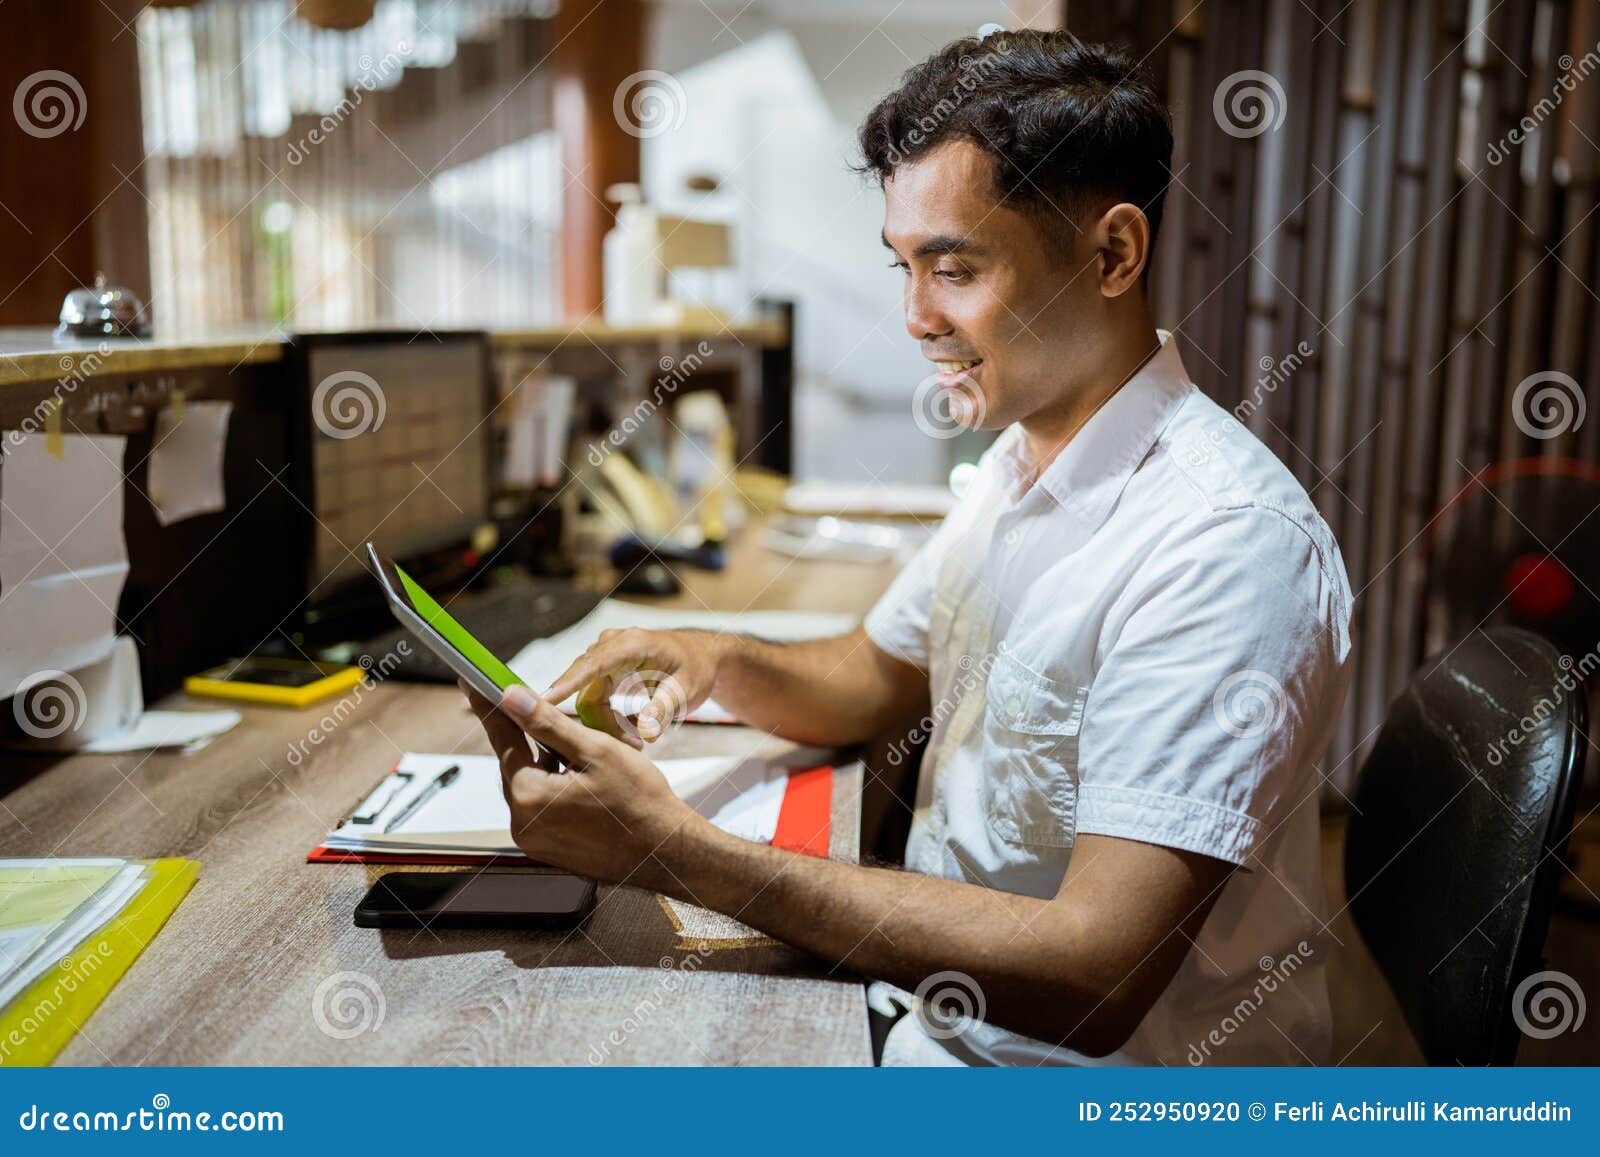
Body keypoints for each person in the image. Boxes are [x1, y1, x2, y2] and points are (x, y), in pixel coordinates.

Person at [463, 29, 1353, 1066]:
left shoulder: (1223, 545)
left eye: (955, 267)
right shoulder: (1022, 462)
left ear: (1112, 254)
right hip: (928, 1015)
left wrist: (676, 851)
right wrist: (710, 653)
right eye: (903, 266)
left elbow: (1094, 974)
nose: (914, 316)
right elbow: (872, 674)